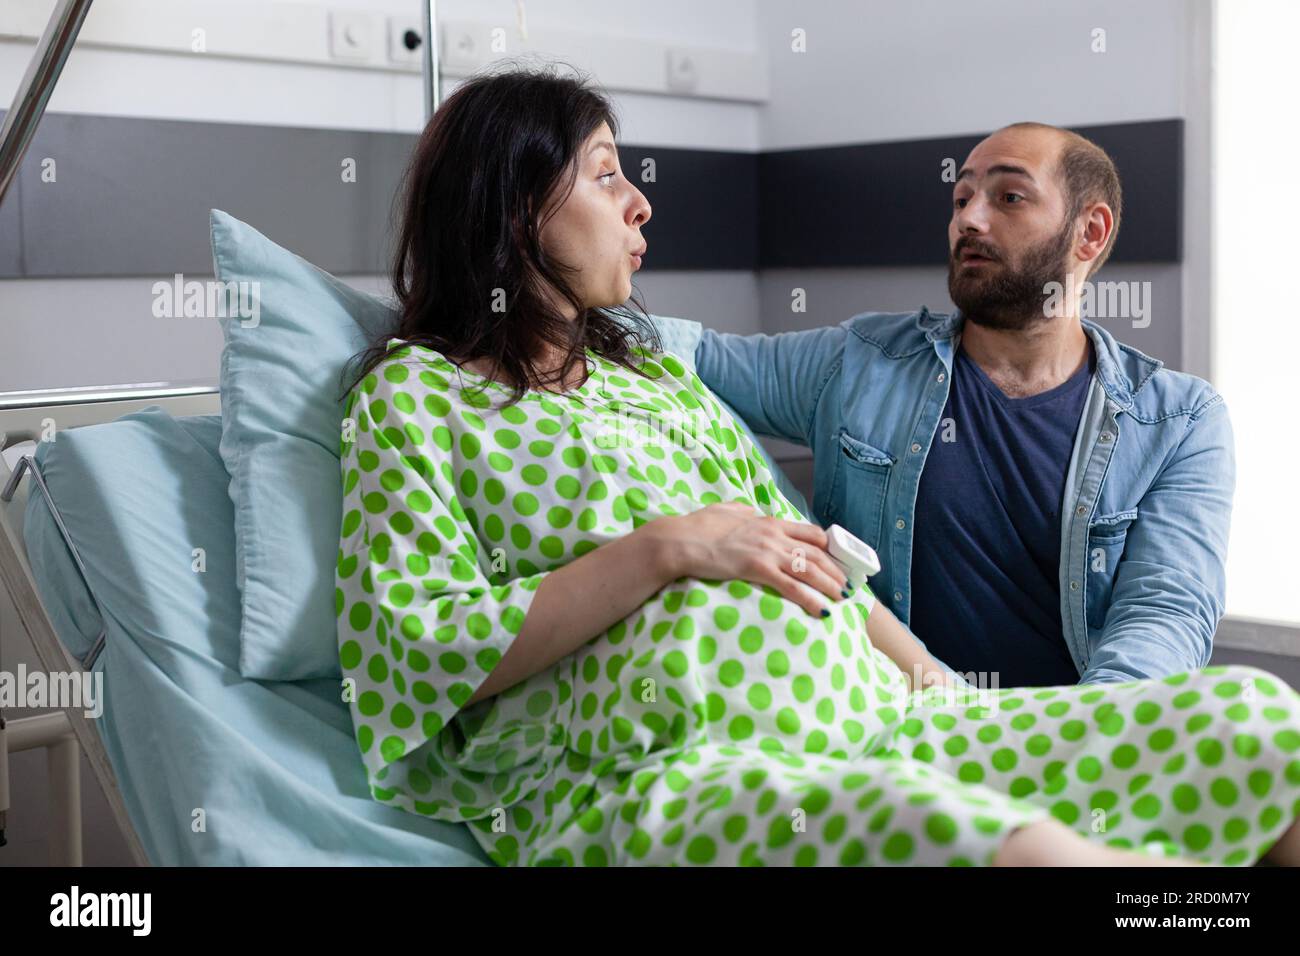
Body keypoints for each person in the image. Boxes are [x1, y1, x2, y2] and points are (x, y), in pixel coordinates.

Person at [335, 65, 1300, 867]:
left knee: (1260, 722)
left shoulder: (654, 381)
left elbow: (811, 555)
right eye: (603, 175)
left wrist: (945, 693)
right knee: (1017, 847)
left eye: (1005, 197)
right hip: (671, 767)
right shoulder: (416, 399)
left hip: (883, 718)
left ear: (1088, 237)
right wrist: (668, 547)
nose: (641, 200)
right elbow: (413, 650)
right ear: (511, 206)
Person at [693, 122, 1233, 689]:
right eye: (961, 198)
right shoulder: (859, 362)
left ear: (1089, 232)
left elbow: (1165, 614)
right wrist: (590, 300)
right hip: (890, 734)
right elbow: (691, 354)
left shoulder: (1179, 422)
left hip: (1068, 742)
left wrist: (1073, 742)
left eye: (1009, 197)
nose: (969, 220)